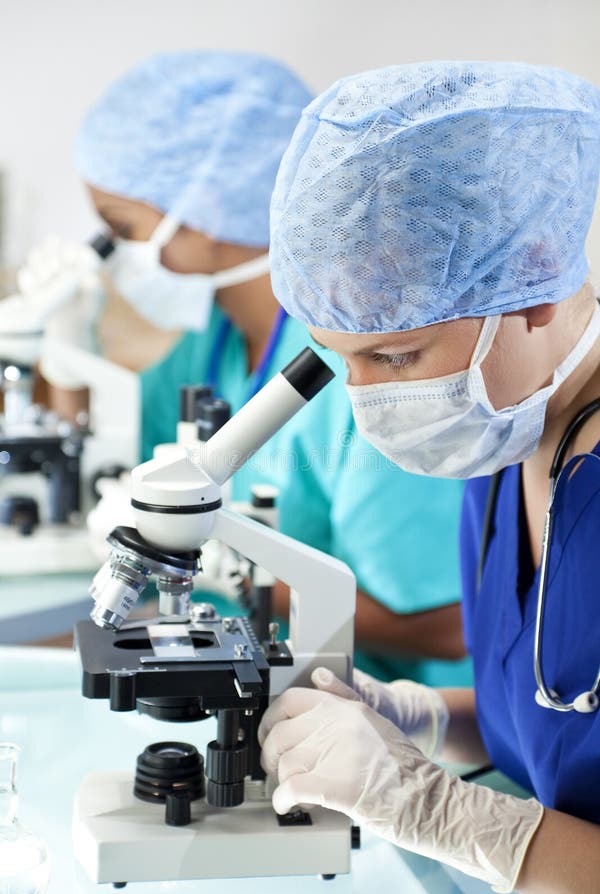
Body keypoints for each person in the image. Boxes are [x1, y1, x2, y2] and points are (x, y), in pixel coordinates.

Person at [259, 61, 600, 894]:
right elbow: (552, 724)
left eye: (398, 353)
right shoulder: (502, 441)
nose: (369, 399)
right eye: (345, 361)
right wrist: (419, 722)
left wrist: (432, 810)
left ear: (536, 280)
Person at [44, 50, 469, 684]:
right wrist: (62, 349)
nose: (115, 255)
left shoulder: (366, 362)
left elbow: (447, 627)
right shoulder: (213, 340)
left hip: (394, 714)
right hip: (247, 657)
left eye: (120, 228)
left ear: (209, 208)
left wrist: (230, 570)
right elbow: (117, 481)